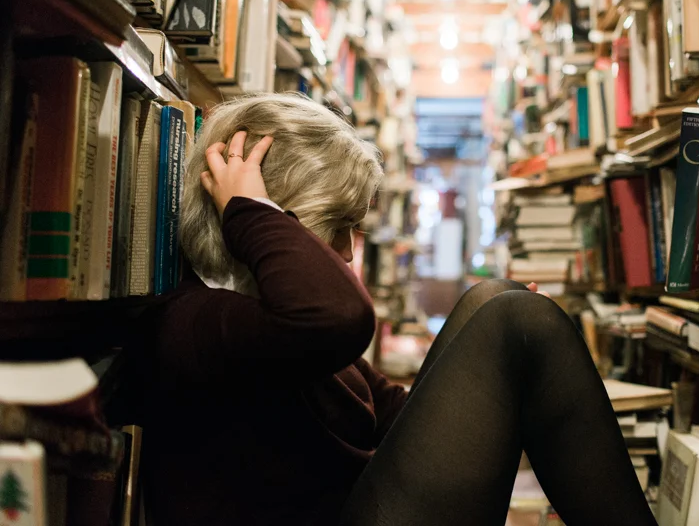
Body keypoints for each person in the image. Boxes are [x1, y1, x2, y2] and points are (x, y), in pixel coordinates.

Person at [138, 93, 657, 526]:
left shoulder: (275, 321)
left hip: (358, 505)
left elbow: (394, 417)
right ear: (269, 219)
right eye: (333, 224)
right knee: (514, 321)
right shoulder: (199, 321)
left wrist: (507, 369)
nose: (344, 251)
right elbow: (340, 313)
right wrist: (250, 210)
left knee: (497, 301)